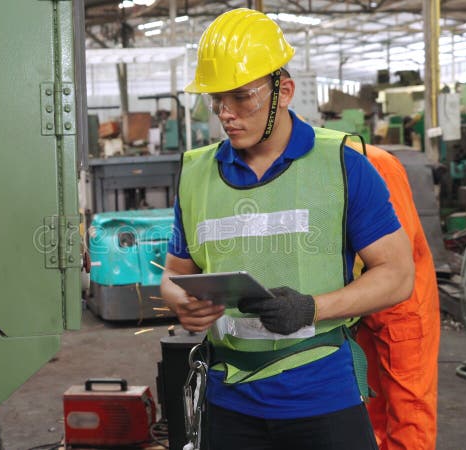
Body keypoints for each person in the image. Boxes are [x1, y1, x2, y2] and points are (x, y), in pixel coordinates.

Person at [160, 8, 414, 450]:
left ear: (285, 90)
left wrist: (313, 307)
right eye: (215, 100)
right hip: (229, 398)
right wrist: (182, 302)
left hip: (321, 396)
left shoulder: (343, 166)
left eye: (242, 97)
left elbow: (397, 276)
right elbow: (174, 273)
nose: (226, 114)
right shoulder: (196, 174)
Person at [350, 143, 441, 450]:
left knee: (408, 411)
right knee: (371, 404)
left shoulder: (373, 164)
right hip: (362, 300)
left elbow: (396, 251)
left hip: (402, 305)